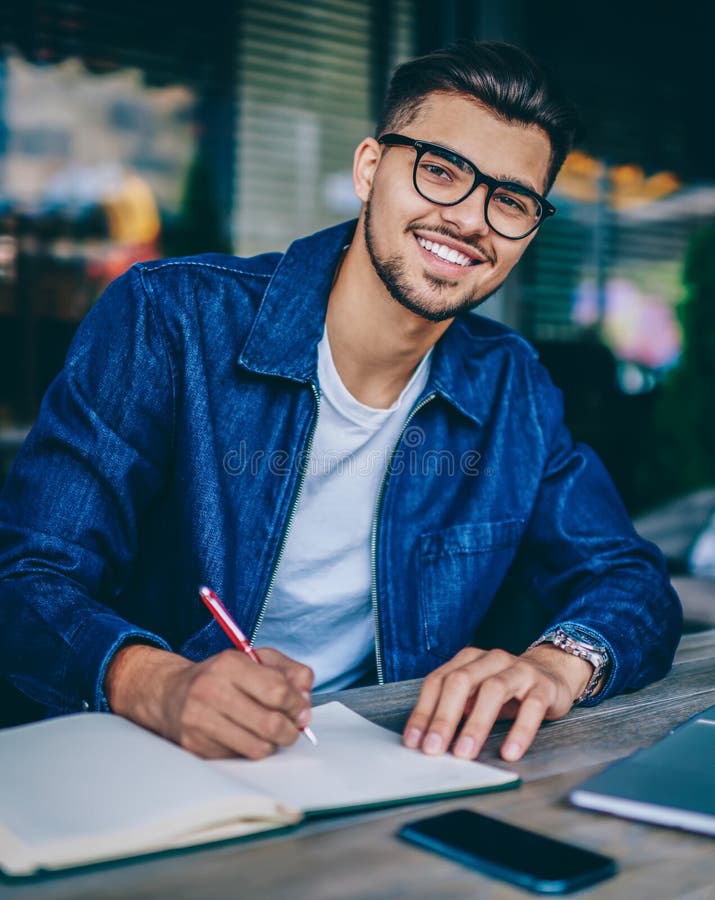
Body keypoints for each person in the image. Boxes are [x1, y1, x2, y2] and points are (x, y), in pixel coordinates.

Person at [0, 41, 681, 763]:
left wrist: (554, 664)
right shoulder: (170, 318)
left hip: (381, 762)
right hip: (146, 757)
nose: (469, 218)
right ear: (368, 170)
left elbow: (629, 579)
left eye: (508, 200)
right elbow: (28, 579)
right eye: (440, 170)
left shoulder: (511, 384)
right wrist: (156, 683)